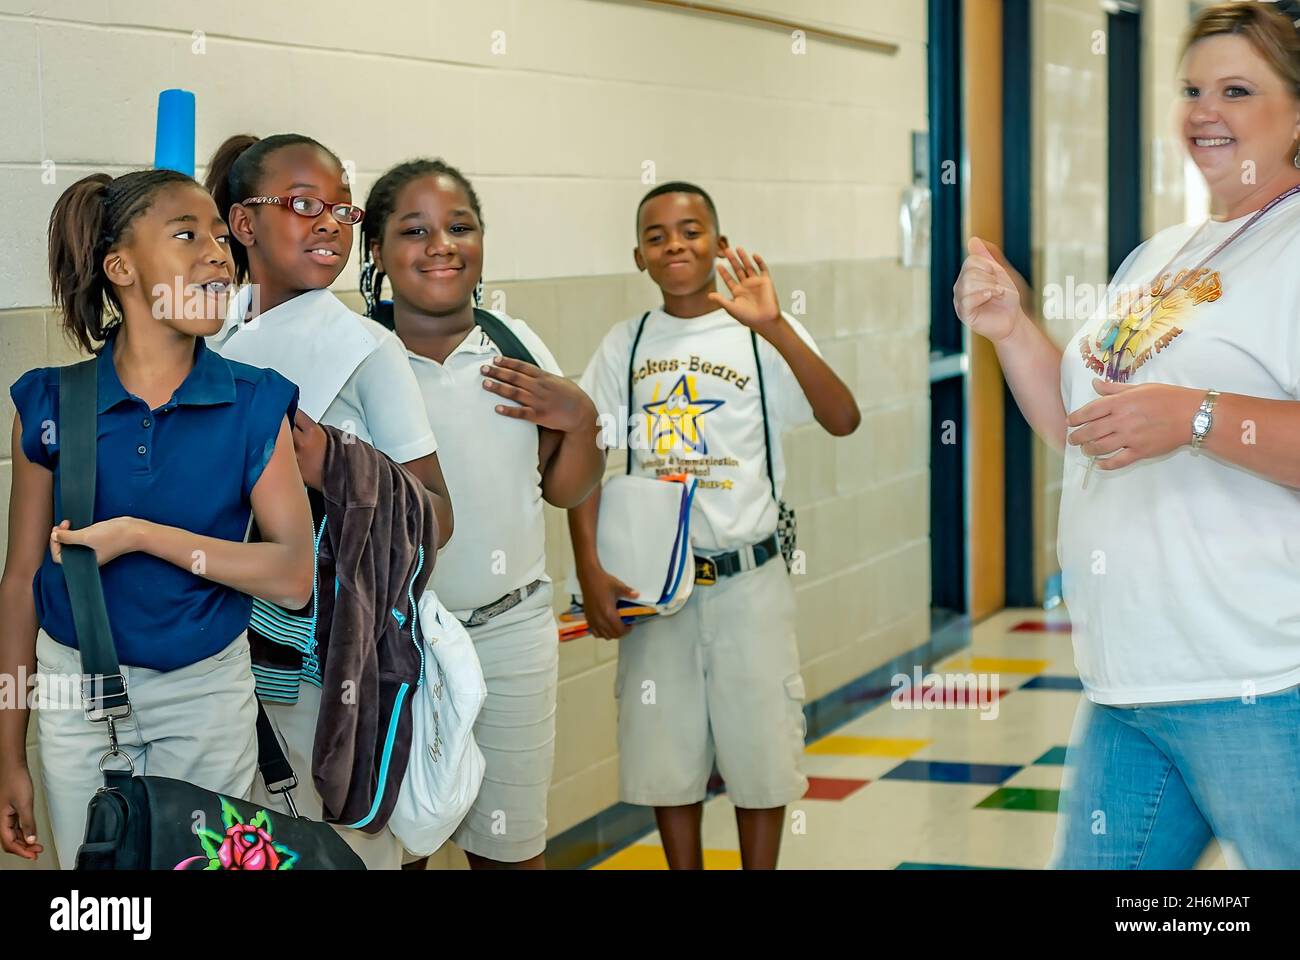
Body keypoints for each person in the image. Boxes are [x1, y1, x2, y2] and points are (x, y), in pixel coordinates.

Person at [955, 0, 1300, 869]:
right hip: (1128, 686)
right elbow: (1085, 435)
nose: (1204, 112)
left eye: (1236, 89)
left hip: (1259, 681)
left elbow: (1177, 420)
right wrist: (1012, 329)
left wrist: (1196, 417)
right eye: (1191, 88)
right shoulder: (1163, 255)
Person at [0, 169, 313, 868]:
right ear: (120, 268)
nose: (217, 252)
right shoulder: (50, 404)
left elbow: (293, 576)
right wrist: (6, 755)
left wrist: (141, 535)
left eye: (218, 235)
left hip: (205, 695)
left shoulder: (254, 403)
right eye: (185, 234)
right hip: (73, 690)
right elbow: (21, 580)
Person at [569, 182, 860, 869]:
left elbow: (842, 418)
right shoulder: (626, 343)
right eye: (658, 235)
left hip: (747, 580)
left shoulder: (758, 336)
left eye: (692, 230)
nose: (676, 245)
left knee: (761, 756)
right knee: (665, 755)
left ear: (721, 245)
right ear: (638, 256)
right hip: (658, 587)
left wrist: (776, 326)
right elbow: (585, 454)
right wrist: (588, 566)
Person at [204, 134, 454, 869]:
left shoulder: (363, 348)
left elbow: (438, 511)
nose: (329, 224)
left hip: (326, 662)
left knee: (334, 847)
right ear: (243, 225)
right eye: (304, 205)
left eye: (341, 209)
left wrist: (337, 469)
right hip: (216, 657)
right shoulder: (205, 334)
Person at [360, 158, 603, 869]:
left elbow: (566, 489)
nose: (441, 245)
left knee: (509, 848)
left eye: (459, 226)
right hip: (391, 645)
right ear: (375, 250)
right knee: (396, 849)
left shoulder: (514, 343)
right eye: (415, 230)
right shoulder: (358, 358)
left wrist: (582, 420)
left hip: (511, 632)